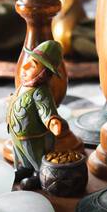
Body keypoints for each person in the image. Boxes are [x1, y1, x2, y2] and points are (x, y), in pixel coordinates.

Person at [6, 39, 76, 190]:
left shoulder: (40, 92)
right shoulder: (23, 87)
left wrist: (52, 121)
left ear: (43, 73)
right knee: (20, 152)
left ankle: (38, 173)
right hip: (17, 134)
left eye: (33, 65)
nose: (24, 67)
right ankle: (25, 168)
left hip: (34, 136)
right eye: (28, 61)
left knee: (36, 155)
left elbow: (46, 110)